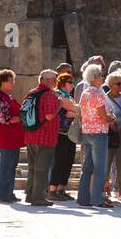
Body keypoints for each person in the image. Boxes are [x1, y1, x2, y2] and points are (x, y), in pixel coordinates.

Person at [75, 64, 114, 209]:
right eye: (101, 76)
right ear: (95, 77)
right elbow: (104, 117)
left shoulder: (85, 93)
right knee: (100, 168)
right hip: (99, 133)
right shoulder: (98, 93)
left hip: (86, 132)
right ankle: (97, 200)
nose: (103, 78)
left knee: (87, 167)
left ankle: (83, 198)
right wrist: (112, 118)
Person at [22, 69, 62, 207]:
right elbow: (49, 116)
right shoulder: (49, 95)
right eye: (54, 80)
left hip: (30, 135)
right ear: (46, 80)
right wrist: (59, 105)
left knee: (33, 167)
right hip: (45, 137)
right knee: (42, 169)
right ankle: (38, 197)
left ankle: (29, 195)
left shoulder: (31, 93)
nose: (56, 83)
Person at [0, 69, 24, 204]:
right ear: (3, 83)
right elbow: (3, 118)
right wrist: (21, 118)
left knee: (11, 167)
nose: (13, 83)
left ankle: (8, 193)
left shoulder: (7, 97)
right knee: (6, 166)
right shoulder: (0, 99)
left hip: (12, 139)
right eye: (11, 81)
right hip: (6, 139)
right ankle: (1, 195)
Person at [48, 71, 81, 201]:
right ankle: (52, 189)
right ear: (62, 83)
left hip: (70, 133)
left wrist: (74, 111)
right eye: (70, 82)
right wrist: (75, 111)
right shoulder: (58, 94)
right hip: (61, 133)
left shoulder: (69, 96)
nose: (72, 84)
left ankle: (62, 188)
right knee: (59, 161)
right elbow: (75, 111)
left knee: (68, 161)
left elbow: (76, 110)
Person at [103, 69, 121, 205]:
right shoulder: (103, 98)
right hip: (108, 135)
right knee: (106, 165)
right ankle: (105, 191)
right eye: (118, 83)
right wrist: (111, 126)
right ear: (111, 84)